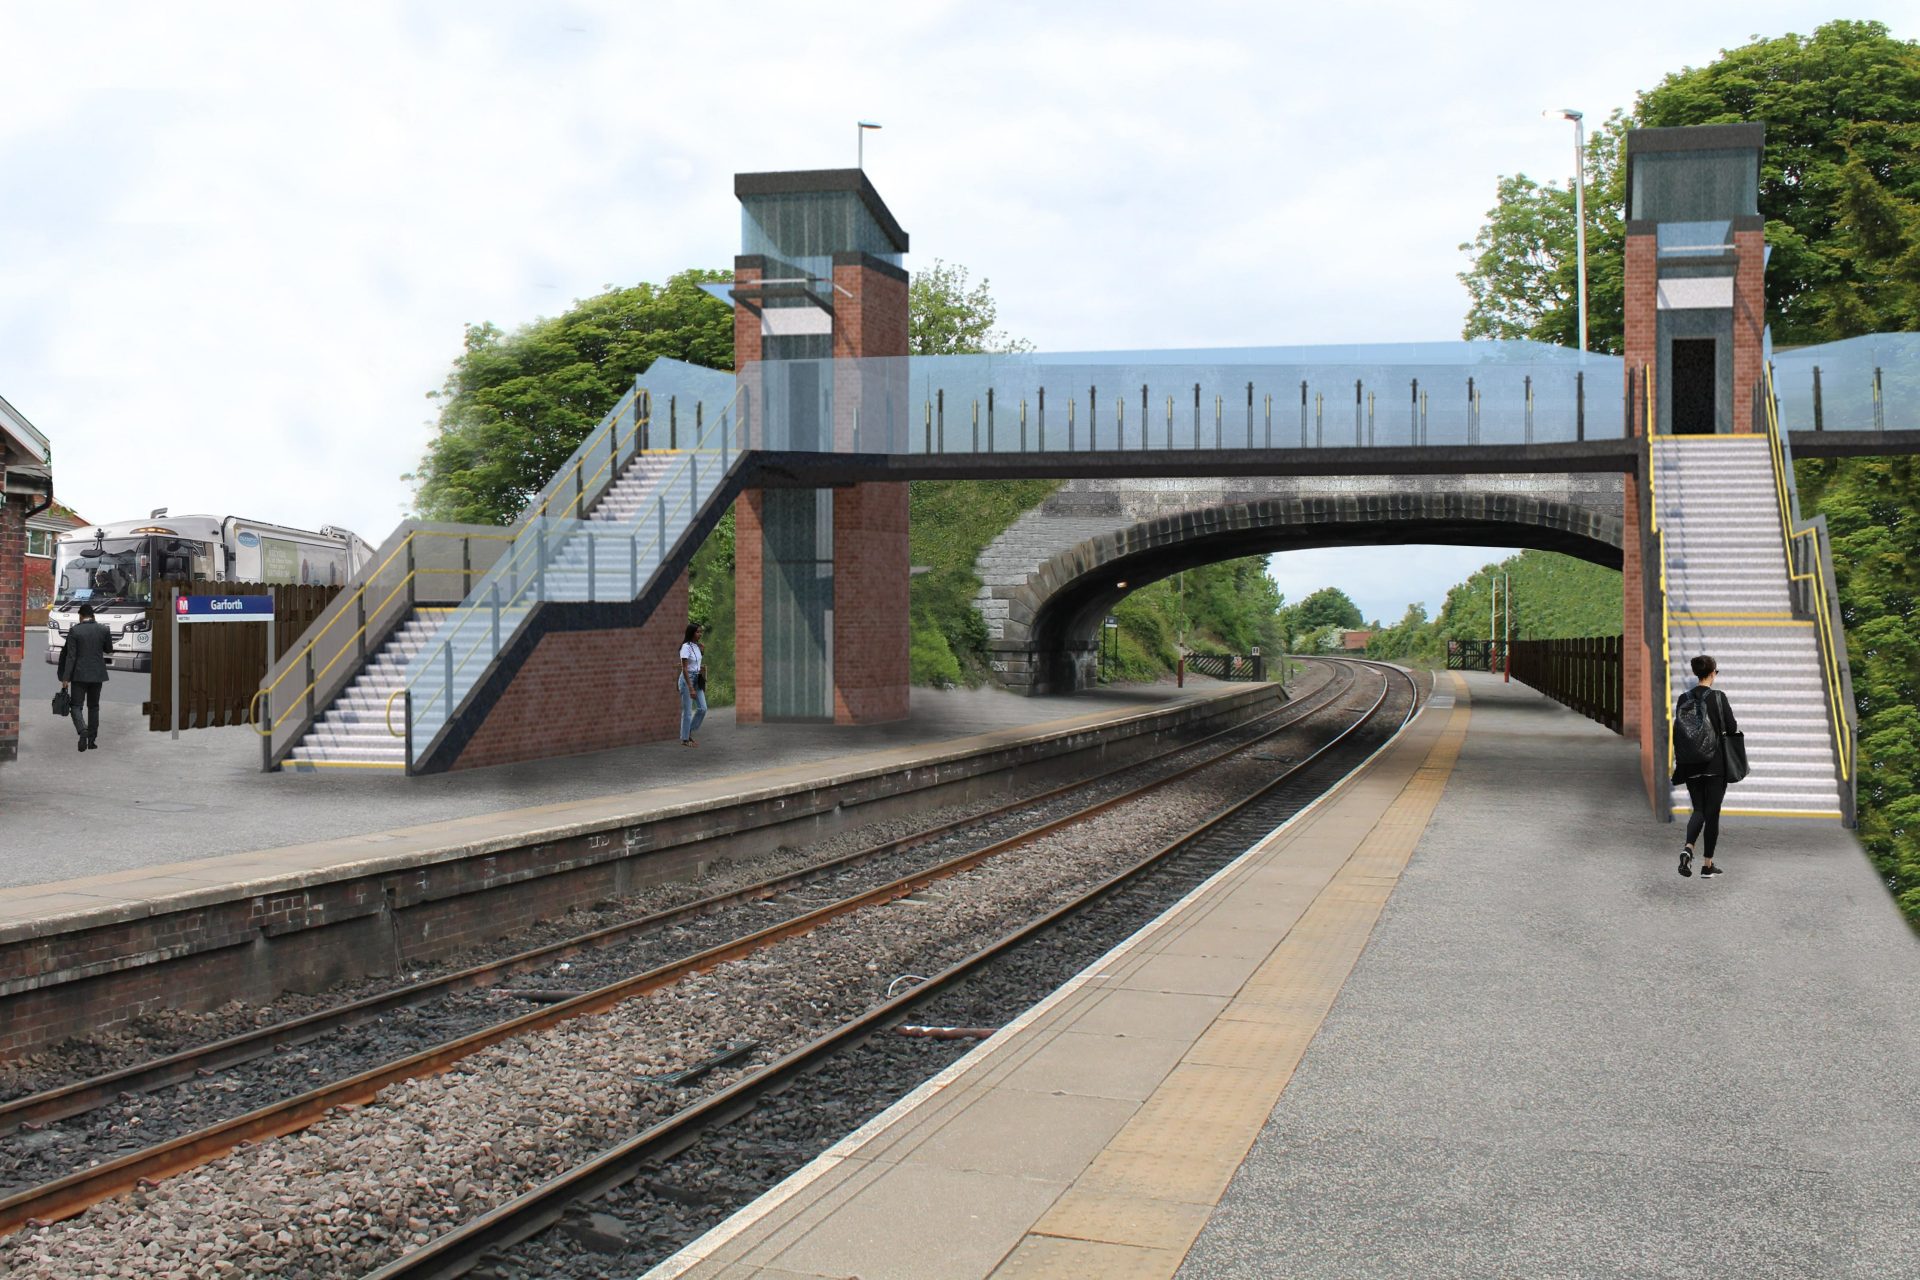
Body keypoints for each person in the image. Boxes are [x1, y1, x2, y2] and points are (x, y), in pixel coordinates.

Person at [1671, 653, 1737, 879]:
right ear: (1712, 674)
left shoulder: (1683, 698)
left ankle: (1688, 848)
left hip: (1691, 764)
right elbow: (1732, 726)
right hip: (1715, 764)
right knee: (1712, 814)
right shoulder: (1718, 697)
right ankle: (1707, 865)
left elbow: (1678, 731)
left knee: (1698, 809)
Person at [58, 604, 114, 752]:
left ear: (81, 616)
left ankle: (83, 730)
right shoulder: (103, 629)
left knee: (76, 706)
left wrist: (65, 678)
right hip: (97, 675)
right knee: (93, 707)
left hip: (79, 675)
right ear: (93, 615)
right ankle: (92, 741)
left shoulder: (75, 631)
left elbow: (71, 657)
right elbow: (109, 649)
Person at [678, 622, 706, 746]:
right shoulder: (685, 647)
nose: (700, 634)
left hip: (697, 678)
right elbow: (684, 668)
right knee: (688, 712)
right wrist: (690, 688)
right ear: (691, 632)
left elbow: (696, 663)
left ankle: (688, 730)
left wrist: (702, 651)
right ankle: (685, 739)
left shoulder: (697, 646)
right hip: (687, 679)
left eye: (701, 632)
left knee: (703, 708)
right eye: (698, 632)